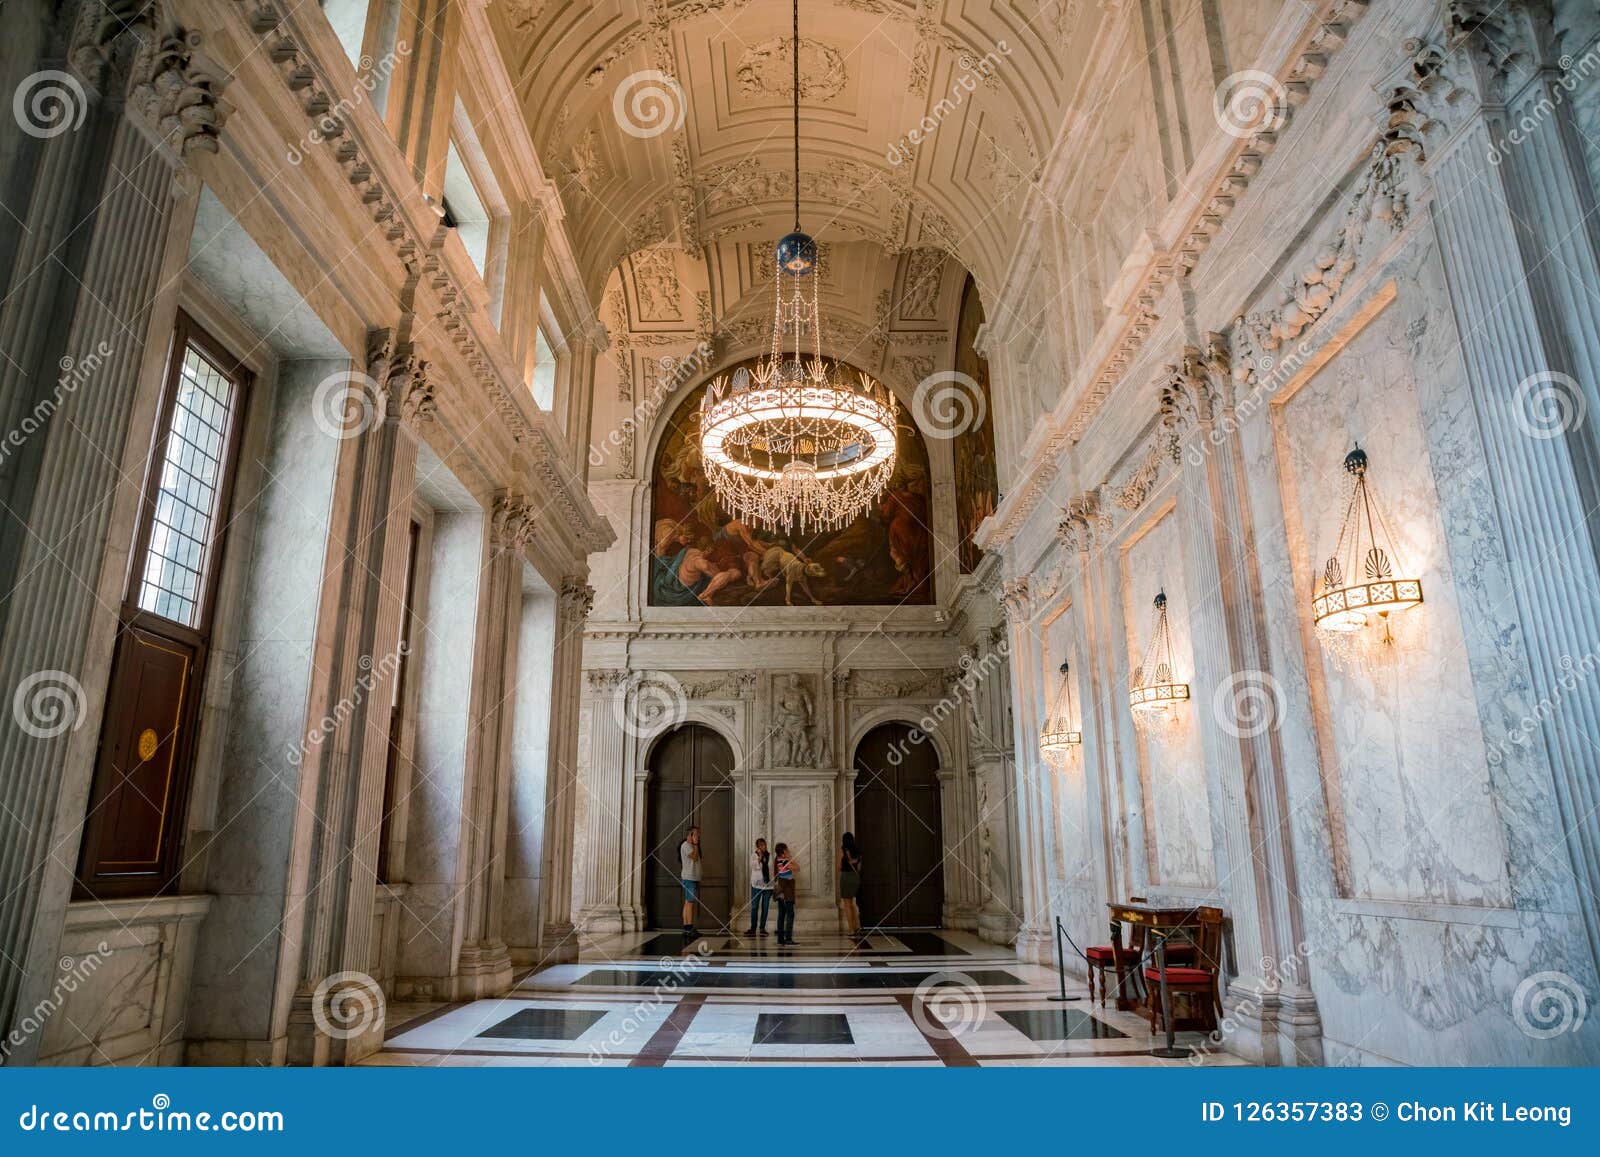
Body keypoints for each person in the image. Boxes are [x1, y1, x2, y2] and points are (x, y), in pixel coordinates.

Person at [839, 831, 865, 943]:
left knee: (847, 904)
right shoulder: (858, 852)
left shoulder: (842, 850)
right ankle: (857, 925)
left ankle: (851, 929)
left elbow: (839, 866)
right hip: (855, 878)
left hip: (845, 877)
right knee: (853, 902)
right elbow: (859, 868)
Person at [747, 837, 773, 937]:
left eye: (764, 845)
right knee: (754, 907)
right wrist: (760, 858)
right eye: (761, 845)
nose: (763, 847)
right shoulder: (754, 856)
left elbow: (772, 870)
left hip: (768, 886)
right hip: (756, 885)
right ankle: (753, 928)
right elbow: (753, 866)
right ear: (757, 847)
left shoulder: (770, 856)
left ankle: (762, 928)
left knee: (765, 907)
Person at [679, 825, 702, 937]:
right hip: (689, 878)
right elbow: (695, 857)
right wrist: (696, 845)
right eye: (696, 834)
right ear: (690, 835)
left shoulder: (691, 845)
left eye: (698, 834)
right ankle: (689, 928)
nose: (698, 836)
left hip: (693, 877)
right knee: (690, 903)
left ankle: (686, 928)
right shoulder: (686, 846)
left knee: (688, 902)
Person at [773, 842, 797, 946]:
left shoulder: (777, 860)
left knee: (781, 915)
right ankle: (788, 938)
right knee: (790, 914)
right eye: (787, 851)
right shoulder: (784, 862)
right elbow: (797, 868)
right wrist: (790, 859)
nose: (789, 852)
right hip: (786, 891)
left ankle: (780, 939)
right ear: (783, 853)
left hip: (781, 891)